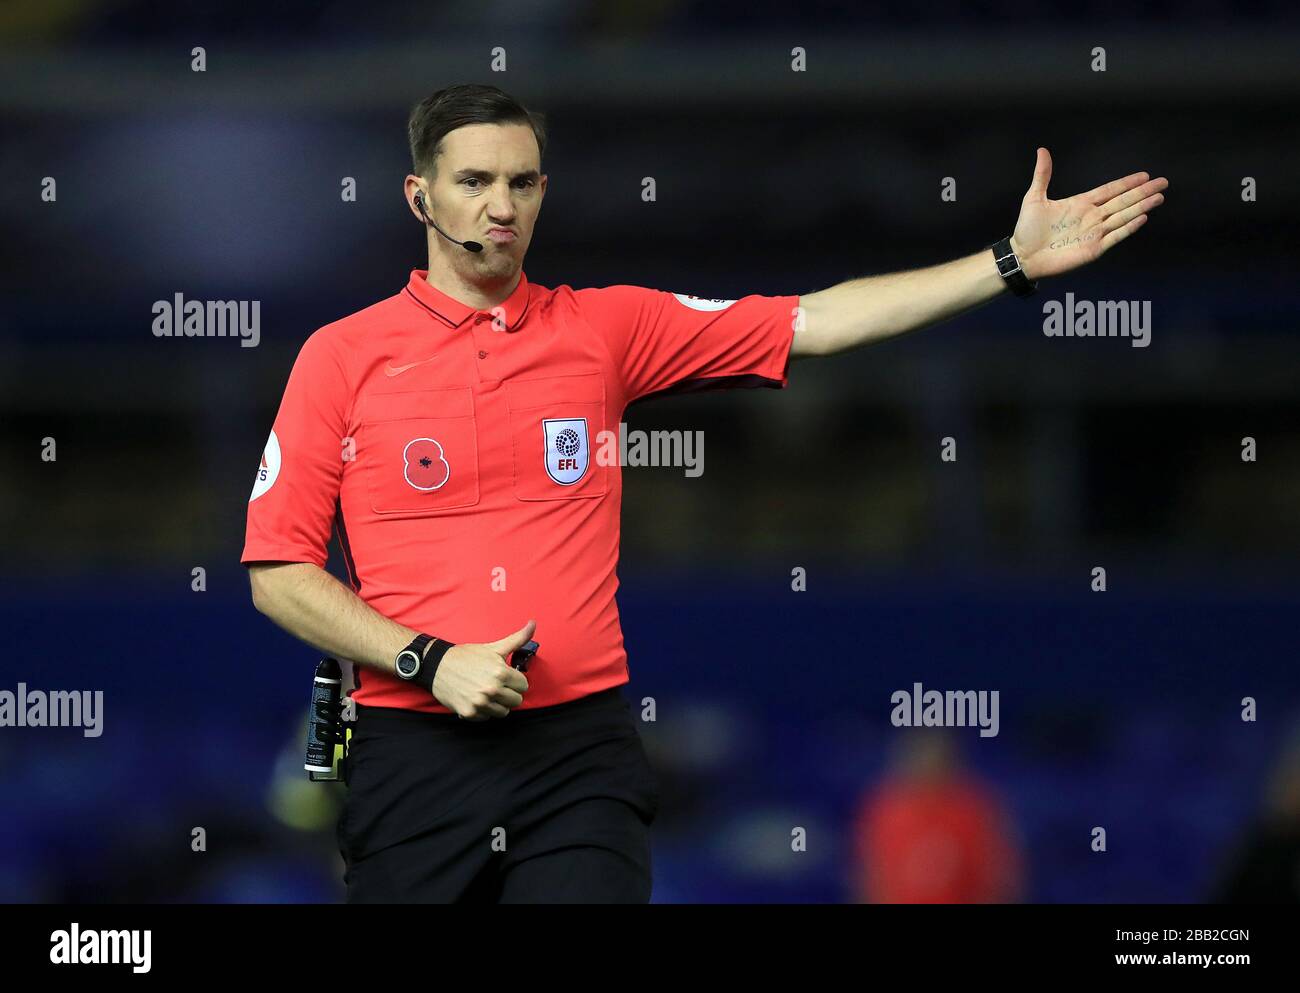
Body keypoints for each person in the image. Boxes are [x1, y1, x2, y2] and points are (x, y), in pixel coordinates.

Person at [242, 83, 1168, 903]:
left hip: (579, 750)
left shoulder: (605, 327)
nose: (501, 206)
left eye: (522, 183)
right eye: (474, 181)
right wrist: (428, 659)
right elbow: (278, 569)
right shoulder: (342, 356)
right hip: (414, 748)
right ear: (420, 194)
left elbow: (815, 320)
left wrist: (1004, 262)